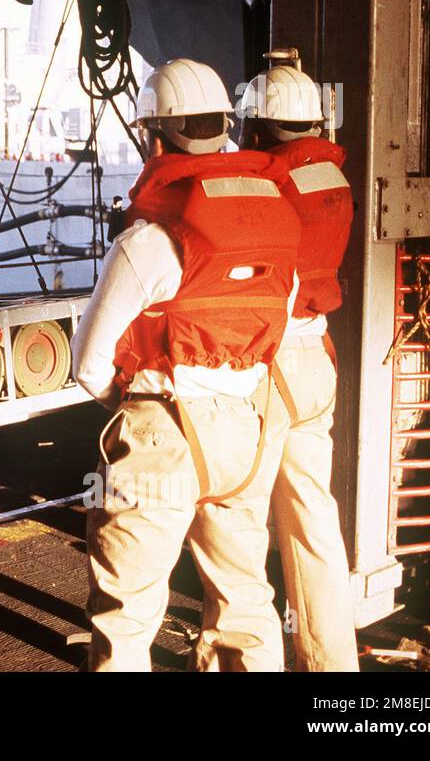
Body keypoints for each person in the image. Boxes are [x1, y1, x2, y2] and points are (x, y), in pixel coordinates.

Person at [71, 59, 302, 671]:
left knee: (127, 619)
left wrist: (140, 411)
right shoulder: (279, 221)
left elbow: (88, 364)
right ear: (226, 130)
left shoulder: (148, 239)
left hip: (164, 430)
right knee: (246, 605)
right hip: (249, 434)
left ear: (152, 137)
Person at [238, 55, 358, 671]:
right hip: (319, 361)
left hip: (274, 362)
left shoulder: (272, 184)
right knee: (314, 530)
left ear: (257, 130)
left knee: (241, 535)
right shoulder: (334, 181)